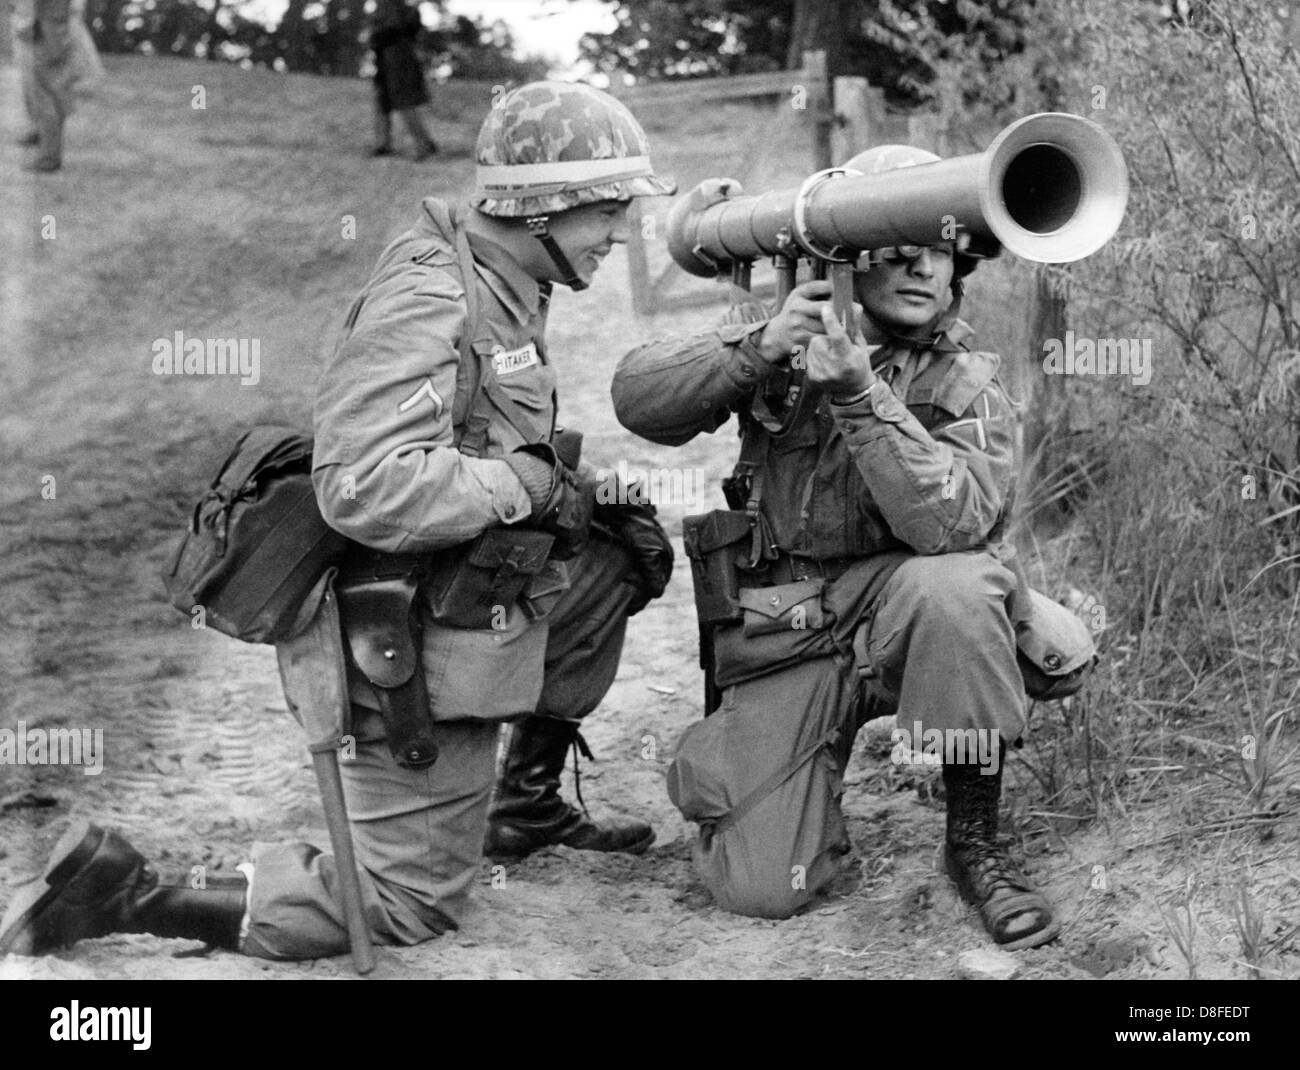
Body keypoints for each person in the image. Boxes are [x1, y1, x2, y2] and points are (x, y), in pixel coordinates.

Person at [0, 82, 677, 961]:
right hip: (404, 633)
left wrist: (571, 487)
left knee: (615, 549)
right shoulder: (434, 297)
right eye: (610, 210)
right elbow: (362, 484)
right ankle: (127, 893)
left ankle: (521, 800)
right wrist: (521, 485)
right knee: (407, 906)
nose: (621, 232)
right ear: (548, 205)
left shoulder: (508, 277)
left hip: (464, 588)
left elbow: (473, 432)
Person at [611, 145, 1091, 951]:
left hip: (904, 611)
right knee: (762, 888)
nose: (922, 271)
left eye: (938, 253)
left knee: (958, 585)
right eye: (896, 251)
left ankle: (973, 840)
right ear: (842, 262)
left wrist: (859, 394)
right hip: (789, 627)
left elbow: (956, 525)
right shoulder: (780, 337)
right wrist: (757, 347)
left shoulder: (966, 378)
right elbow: (637, 399)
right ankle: (790, 782)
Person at [13, 0, 91, 172]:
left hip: (47, 26)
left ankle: (49, 157)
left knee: (45, 94)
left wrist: (26, 24)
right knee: (55, 90)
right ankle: (50, 152)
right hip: (58, 25)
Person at [368, 0, 439, 160]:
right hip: (386, 56)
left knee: (404, 101)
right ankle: (383, 143)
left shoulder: (396, 7)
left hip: (398, 56)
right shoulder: (386, 6)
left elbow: (393, 28)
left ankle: (424, 144)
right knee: (382, 99)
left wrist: (377, 36)